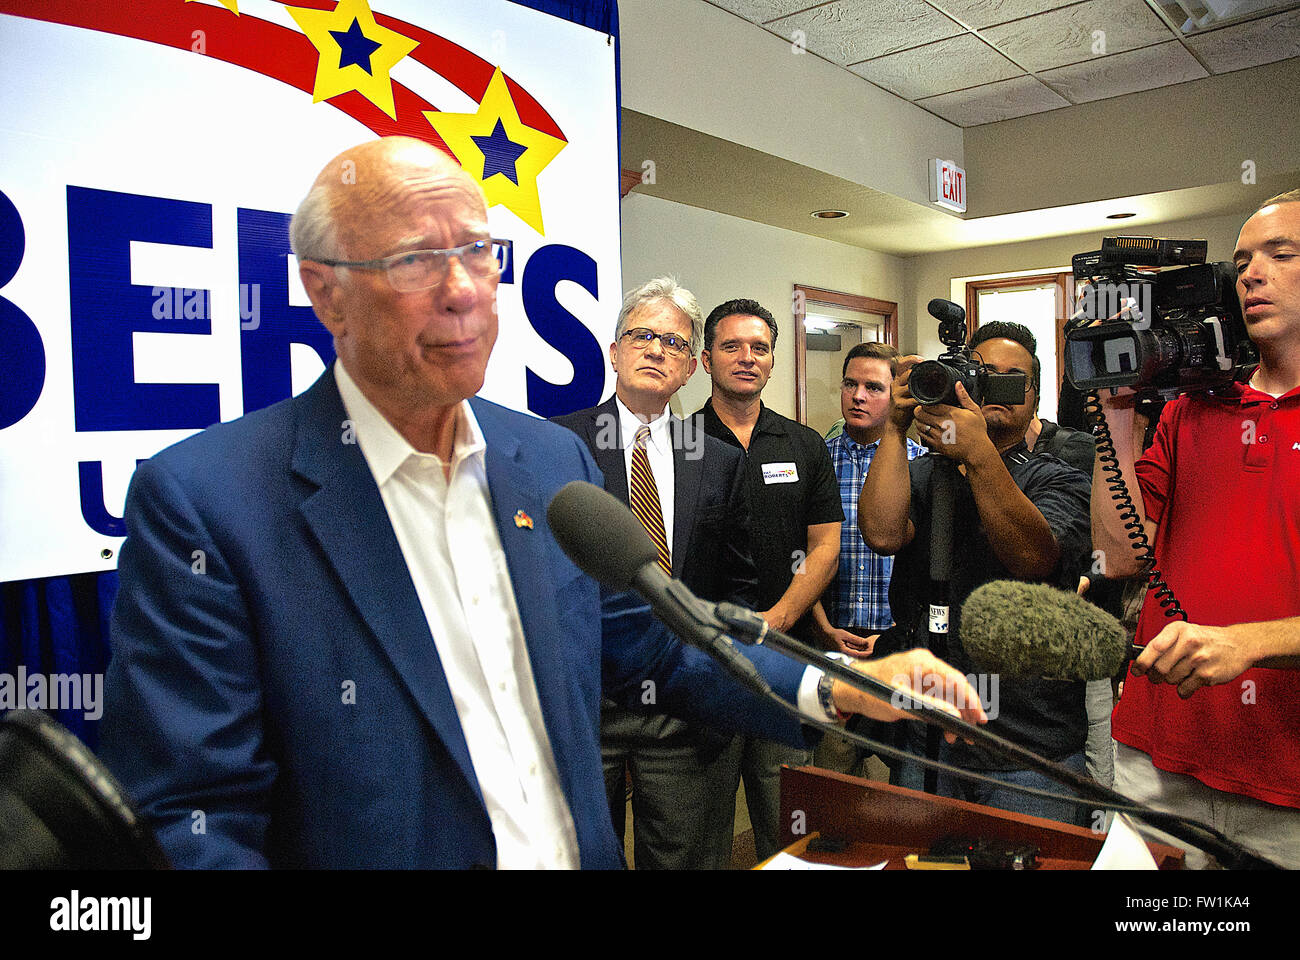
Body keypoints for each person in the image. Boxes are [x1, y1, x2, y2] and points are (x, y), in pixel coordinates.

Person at [97, 137, 986, 869]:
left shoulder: (543, 459)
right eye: (414, 259)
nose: (462, 292)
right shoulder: (207, 503)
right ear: (323, 288)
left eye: (477, 253)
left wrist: (843, 688)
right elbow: (195, 822)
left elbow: (660, 648)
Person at [1091, 191, 1300, 868]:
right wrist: (1115, 408)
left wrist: (1250, 643)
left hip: (1285, 785)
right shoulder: (1192, 412)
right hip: (1156, 758)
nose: (1250, 274)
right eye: (1241, 261)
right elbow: (1119, 553)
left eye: (1281, 253)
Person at [552, 277, 757, 869]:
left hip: (680, 704)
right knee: (584, 855)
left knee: (681, 858)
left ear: (691, 366)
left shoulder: (716, 459)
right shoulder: (559, 443)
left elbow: (736, 583)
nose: (655, 349)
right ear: (614, 351)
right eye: (640, 335)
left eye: (672, 342)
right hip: (587, 699)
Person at [860, 322, 1093, 824]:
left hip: (1025, 738)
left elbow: (1033, 558)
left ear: (1033, 398)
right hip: (928, 729)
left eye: (1015, 380)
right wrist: (895, 429)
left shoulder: (1059, 476)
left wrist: (978, 450)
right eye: (986, 376)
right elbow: (880, 534)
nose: (997, 389)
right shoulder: (926, 473)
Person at [694, 299, 845, 862]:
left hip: (786, 655)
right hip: (705, 661)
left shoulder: (805, 445)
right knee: (701, 821)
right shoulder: (679, 443)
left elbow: (824, 547)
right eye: (731, 346)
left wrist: (777, 618)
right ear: (707, 359)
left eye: (759, 348)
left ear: (774, 360)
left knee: (786, 816)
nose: (746, 358)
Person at [810, 342, 926, 778]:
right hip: (832, 642)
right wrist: (821, 627)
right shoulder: (814, 459)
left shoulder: (924, 466)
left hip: (898, 646)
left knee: (904, 786)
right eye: (850, 384)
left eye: (874, 387)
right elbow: (796, 554)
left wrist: (899, 637)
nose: (858, 396)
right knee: (834, 783)